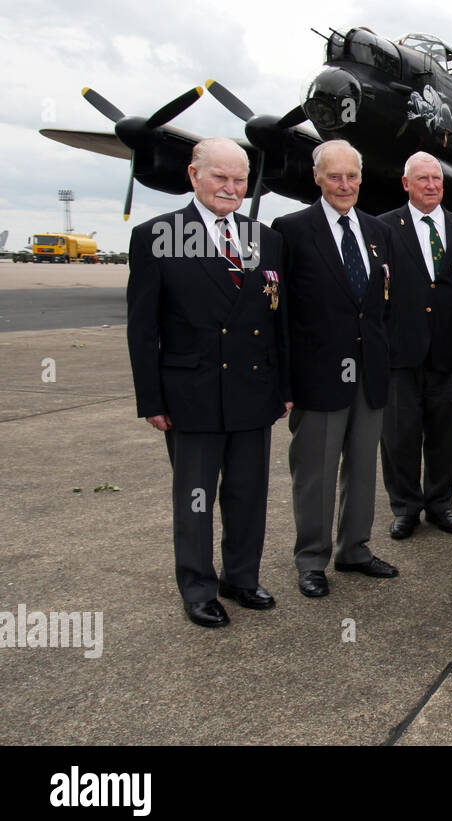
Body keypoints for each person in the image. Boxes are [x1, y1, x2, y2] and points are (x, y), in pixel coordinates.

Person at [126, 137, 288, 627]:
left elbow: (278, 319)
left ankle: (241, 578)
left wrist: (283, 387)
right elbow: (143, 326)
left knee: (247, 493)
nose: (231, 187)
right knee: (195, 499)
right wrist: (150, 399)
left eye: (240, 179)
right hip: (190, 394)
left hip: (253, 391)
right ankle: (197, 587)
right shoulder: (158, 235)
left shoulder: (266, 239)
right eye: (220, 176)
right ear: (194, 176)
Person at [271, 139, 399, 598]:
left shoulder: (377, 231)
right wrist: (283, 380)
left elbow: (381, 307)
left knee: (363, 470)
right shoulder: (290, 230)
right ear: (317, 178)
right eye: (334, 176)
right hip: (317, 375)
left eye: (352, 176)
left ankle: (354, 549)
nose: (344, 185)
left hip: (369, 375)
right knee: (316, 474)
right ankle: (311, 559)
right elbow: (278, 314)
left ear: (361, 179)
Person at [377, 151, 452, 539]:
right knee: (398, 436)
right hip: (400, 354)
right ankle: (405, 507)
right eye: (422, 179)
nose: (431, 186)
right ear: (406, 184)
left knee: (444, 435)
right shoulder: (383, 229)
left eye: (436, 179)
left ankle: (440, 504)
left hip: (448, 353)